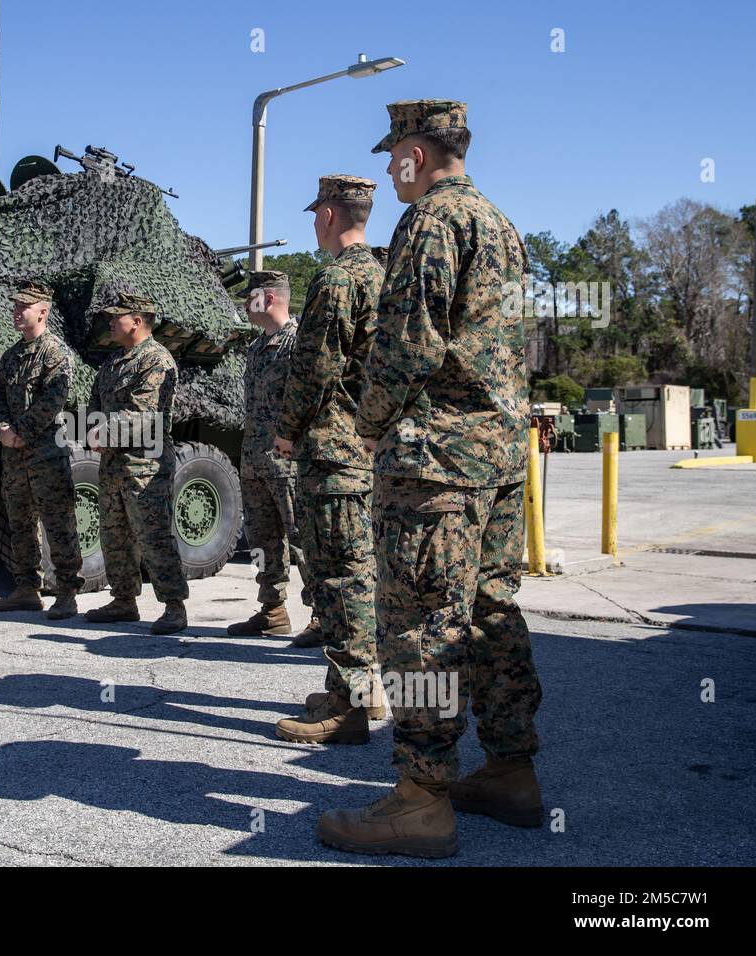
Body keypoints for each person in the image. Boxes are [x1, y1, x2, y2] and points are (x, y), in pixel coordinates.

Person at [315, 101, 543, 859]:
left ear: (417, 150)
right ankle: (510, 771)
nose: (388, 169)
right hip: (501, 454)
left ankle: (421, 799)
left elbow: (409, 342)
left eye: (393, 155)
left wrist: (369, 420)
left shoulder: (431, 222)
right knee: (490, 611)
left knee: (420, 627)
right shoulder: (501, 225)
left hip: (437, 460)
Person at [271, 175, 387, 746]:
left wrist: (287, 431)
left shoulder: (337, 280)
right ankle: (361, 692)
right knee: (358, 571)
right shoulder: (384, 273)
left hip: (334, 450)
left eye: (317, 213)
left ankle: (350, 707)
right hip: (368, 447)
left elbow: (314, 367)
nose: (315, 222)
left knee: (342, 577)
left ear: (328, 215)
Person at [83, 292, 188, 635]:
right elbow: (93, 406)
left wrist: (103, 434)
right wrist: (93, 430)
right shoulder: (114, 362)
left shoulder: (156, 360)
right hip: (113, 465)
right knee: (115, 535)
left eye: (117, 317)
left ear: (138, 321)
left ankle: (174, 606)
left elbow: (145, 416)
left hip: (146, 465)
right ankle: (123, 600)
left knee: (153, 535)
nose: (111, 323)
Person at [226, 271, 316, 640]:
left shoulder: (298, 344)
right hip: (255, 461)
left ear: (271, 299)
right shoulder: (256, 347)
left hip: (287, 464)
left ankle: (324, 614)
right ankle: (273, 610)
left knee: (304, 540)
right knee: (264, 543)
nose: (246, 304)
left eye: (251, 297)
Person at [0, 280, 84, 619]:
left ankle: (67, 592)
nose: (16, 312)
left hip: (46, 452)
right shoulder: (11, 356)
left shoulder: (56, 353)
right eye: (15, 307)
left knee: (58, 521)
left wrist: (21, 433)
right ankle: (26, 588)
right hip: (15, 455)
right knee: (20, 522)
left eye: (23, 307)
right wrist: (3, 429)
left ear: (42, 312)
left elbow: (53, 400)